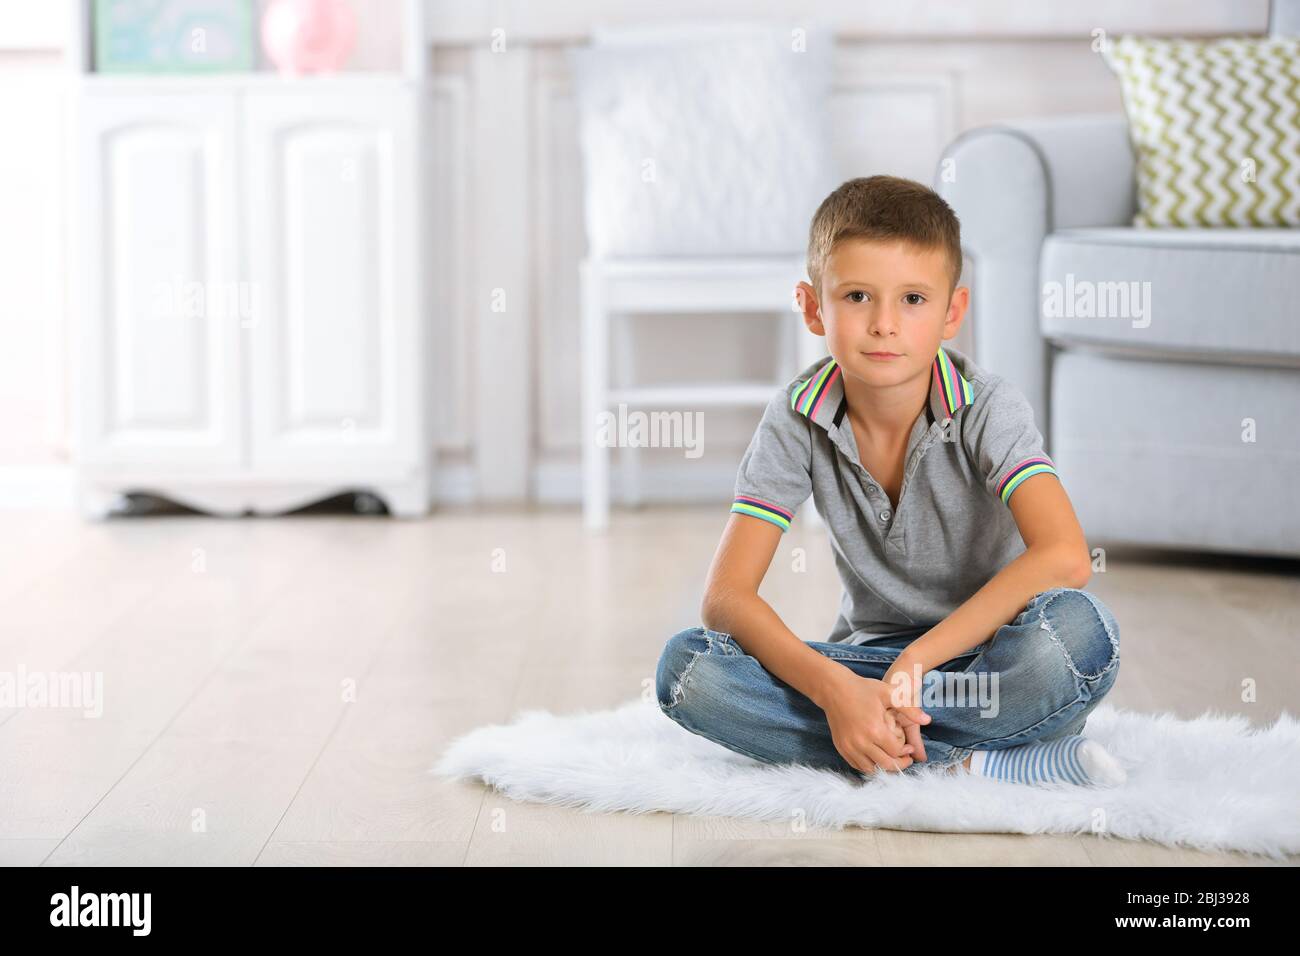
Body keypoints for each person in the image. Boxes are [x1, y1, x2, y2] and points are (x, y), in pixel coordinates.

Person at [654, 175, 1125, 788]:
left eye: (912, 299)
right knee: (689, 670)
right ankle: (972, 761)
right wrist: (835, 689)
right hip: (863, 661)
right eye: (856, 297)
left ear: (953, 311)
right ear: (812, 306)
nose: (883, 324)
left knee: (1080, 634)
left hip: (993, 657)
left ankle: (888, 745)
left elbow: (1064, 556)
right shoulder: (796, 417)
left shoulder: (989, 408)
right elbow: (725, 598)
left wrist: (917, 663)